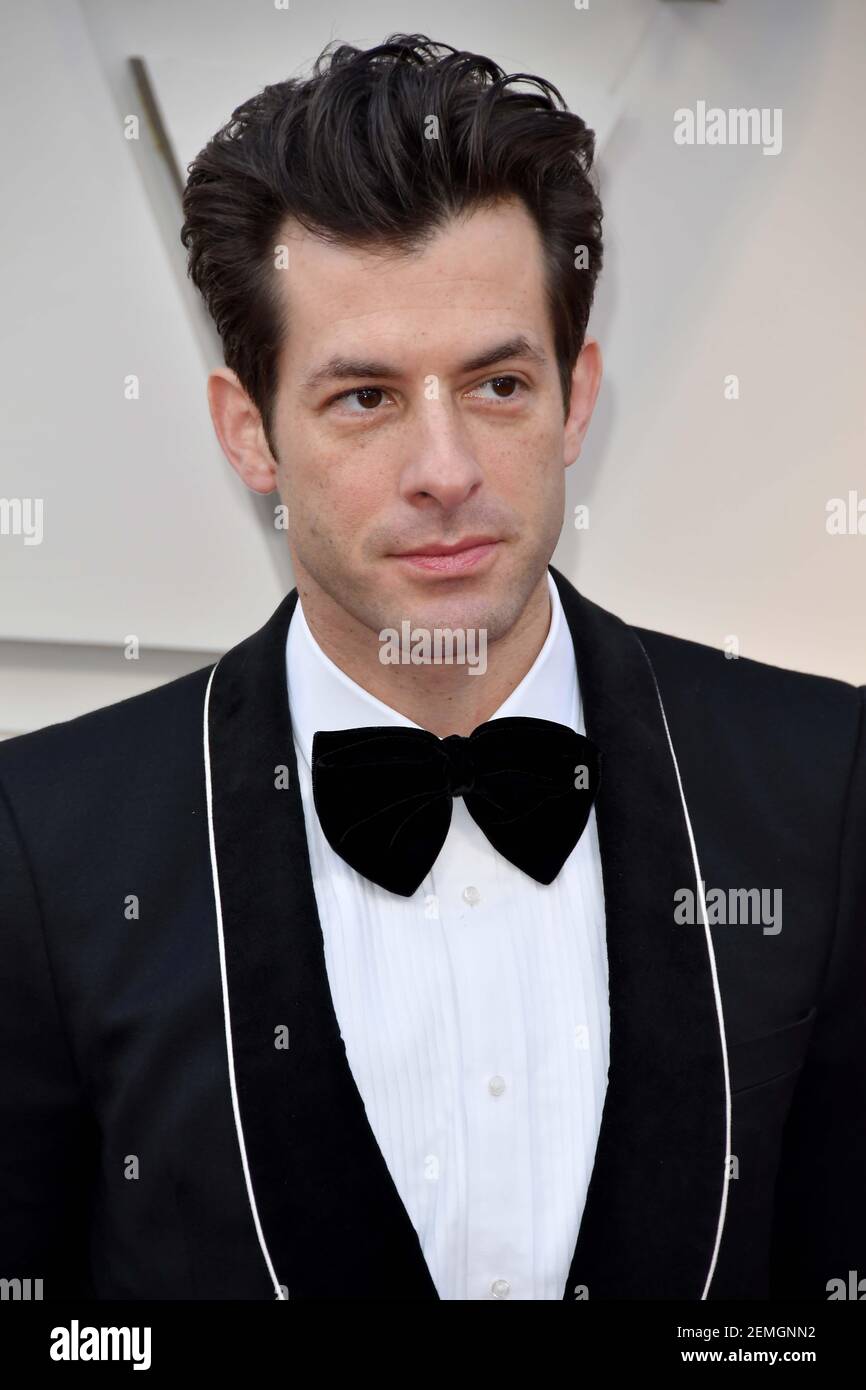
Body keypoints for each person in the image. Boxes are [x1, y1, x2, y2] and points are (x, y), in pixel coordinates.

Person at [1, 33, 863, 1303]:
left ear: (574, 400)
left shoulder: (823, 784)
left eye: (497, 383)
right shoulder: (43, 842)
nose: (446, 472)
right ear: (249, 433)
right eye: (365, 398)